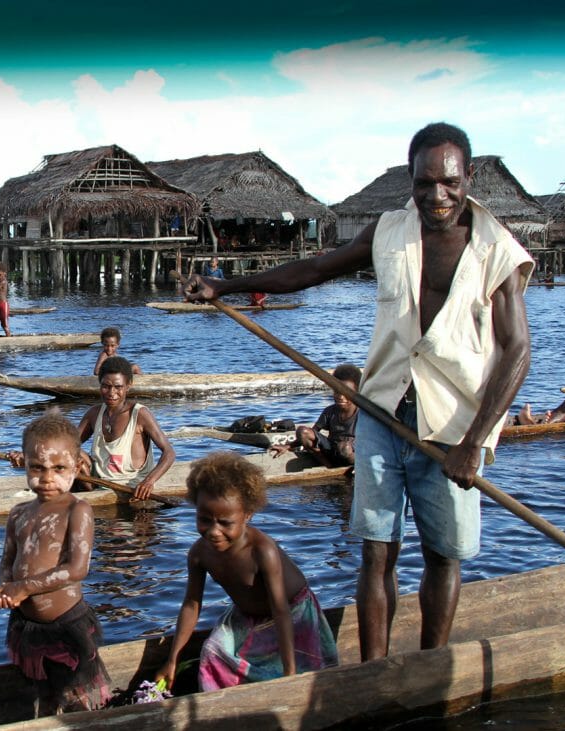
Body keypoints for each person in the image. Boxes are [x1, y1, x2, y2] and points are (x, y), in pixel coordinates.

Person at [185, 122, 534, 661]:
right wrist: (225, 285)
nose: (436, 197)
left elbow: (516, 352)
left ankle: (430, 665)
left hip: (454, 427)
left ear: (468, 178)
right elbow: (316, 267)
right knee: (377, 551)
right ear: (410, 179)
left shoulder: (497, 250)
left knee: (444, 555)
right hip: (383, 411)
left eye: (448, 183)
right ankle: (372, 672)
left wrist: (476, 441)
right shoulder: (389, 231)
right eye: (423, 184)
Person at [156, 452, 338, 691]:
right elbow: (191, 604)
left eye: (225, 523)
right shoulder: (199, 554)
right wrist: (172, 660)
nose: (213, 531)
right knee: (212, 651)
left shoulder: (262, 551)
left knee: (303, 672)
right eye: (204, 519)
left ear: (247, 515)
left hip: (292, 614)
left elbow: (280, 610)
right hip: (246, 616)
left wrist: (289, 671)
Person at [0, 412, 111, 714]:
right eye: (36, 467)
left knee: (77, 696)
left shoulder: (77, 510)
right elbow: (7, 562)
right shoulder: (18, 513)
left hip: (66, 625)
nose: (47, 477)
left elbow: (78, 569)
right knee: (43, 693)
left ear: (77, 468)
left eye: (59, 468)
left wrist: (23, 587)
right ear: (23, 463)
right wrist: (5, 592)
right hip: (27, 627)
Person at [77, 356, 174, 501]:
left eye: (118, 387)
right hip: (99, 481)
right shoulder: (94, 413)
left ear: (128, 386)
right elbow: (69, 443)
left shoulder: (140, 414)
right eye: (106, 386)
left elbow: (169, 452)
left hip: (130, 486)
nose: (111, 393)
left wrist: (149, 482)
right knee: (70, 450)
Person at [271, 363, 362, 468]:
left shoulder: (362, 414)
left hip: (353, 453)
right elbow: (313, 433)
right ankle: (328, 466)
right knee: (302, 431)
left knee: (344, 447)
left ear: (356, 392)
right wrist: (288, 446)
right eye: (337, 391)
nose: (340, 397)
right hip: (332, 450)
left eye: (345, 392)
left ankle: (355, 467)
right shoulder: (330, 411)